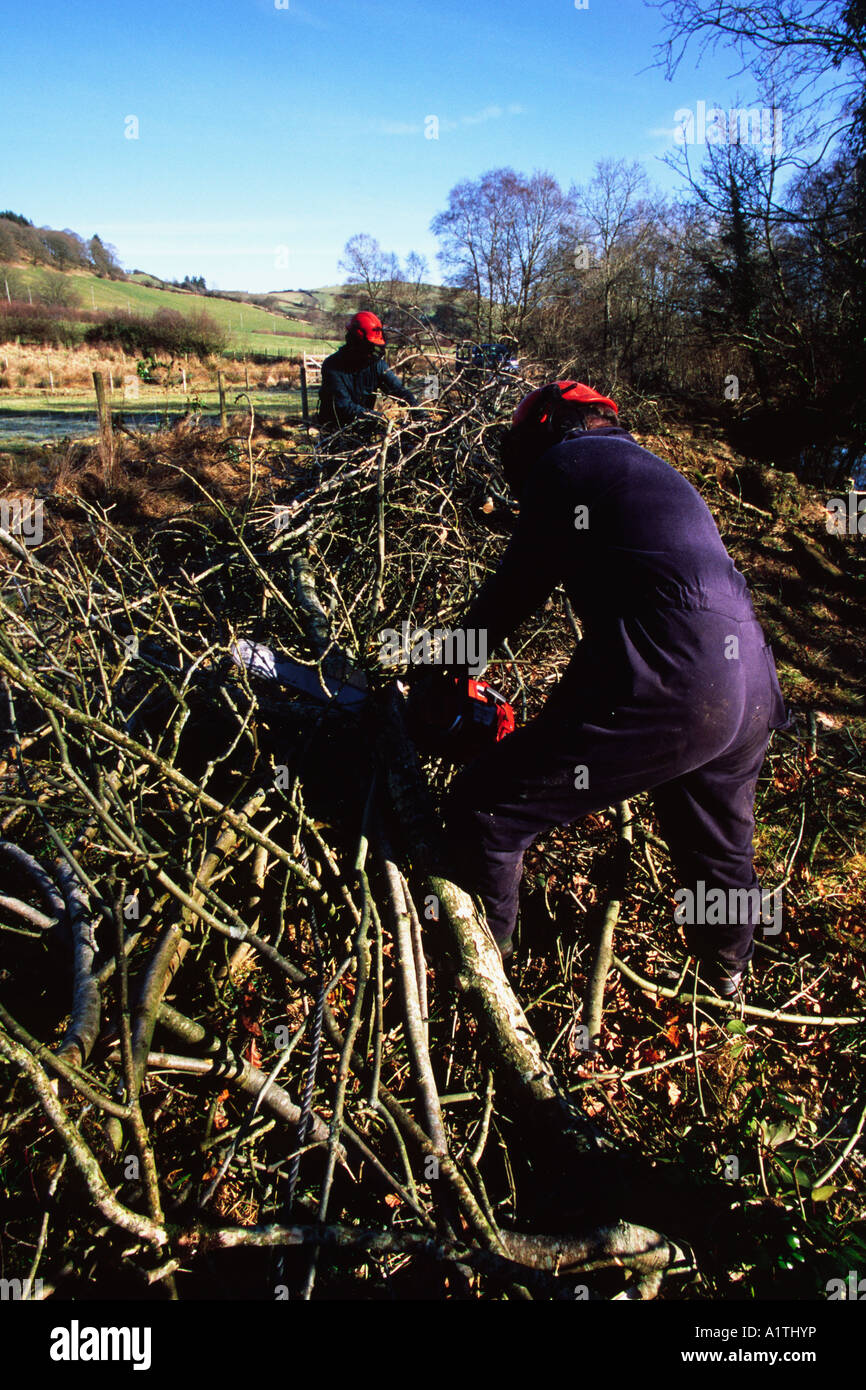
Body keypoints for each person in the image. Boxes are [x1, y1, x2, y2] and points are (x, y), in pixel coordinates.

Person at [435, 381, 789, 998]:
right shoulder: (644, 468)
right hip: (749, 677)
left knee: (487, 809)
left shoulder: (564, 462)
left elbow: (515, 592)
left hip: (672, 675)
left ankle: (487, 999)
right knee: (715, 847)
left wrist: (446, 671)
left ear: (546, 425)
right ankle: (726, 980)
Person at [318, 311, 417, 429]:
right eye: (369, 346)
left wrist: (420, 414)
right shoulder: (332, 366)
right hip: (335, 429)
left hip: (365, 428)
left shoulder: (377, 365)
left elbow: (400, 391)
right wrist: (381, 419)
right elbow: (344, 406)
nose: (372, 352)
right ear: (355, 342)